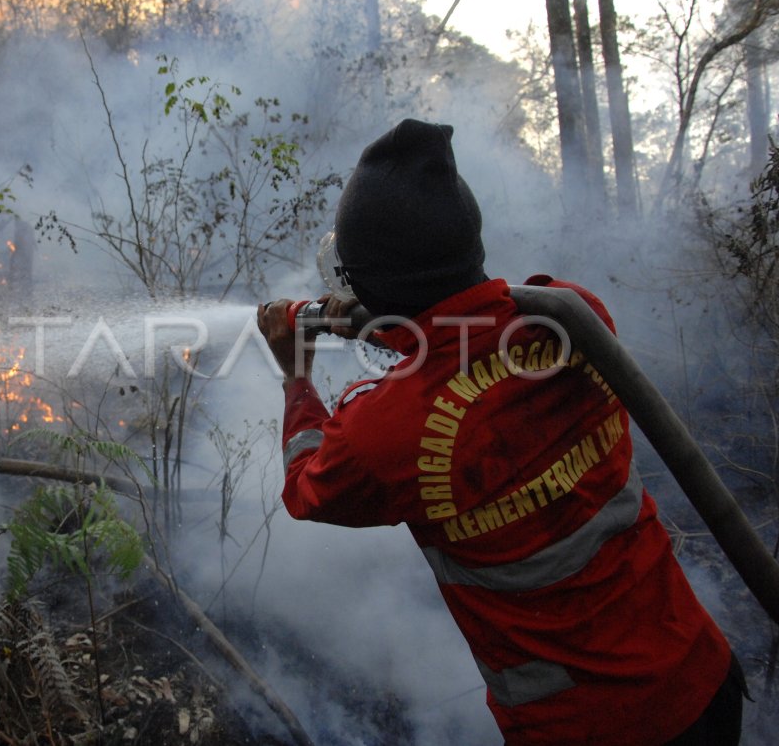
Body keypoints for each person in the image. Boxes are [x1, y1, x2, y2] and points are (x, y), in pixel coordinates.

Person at [256, 118, 746, 745]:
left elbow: (307, 485)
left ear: (371, 279)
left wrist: (297, 374)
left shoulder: (385, 432)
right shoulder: (577, 318)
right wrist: (394, 321)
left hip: (581, 729)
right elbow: (478, 326)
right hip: (700, 677)